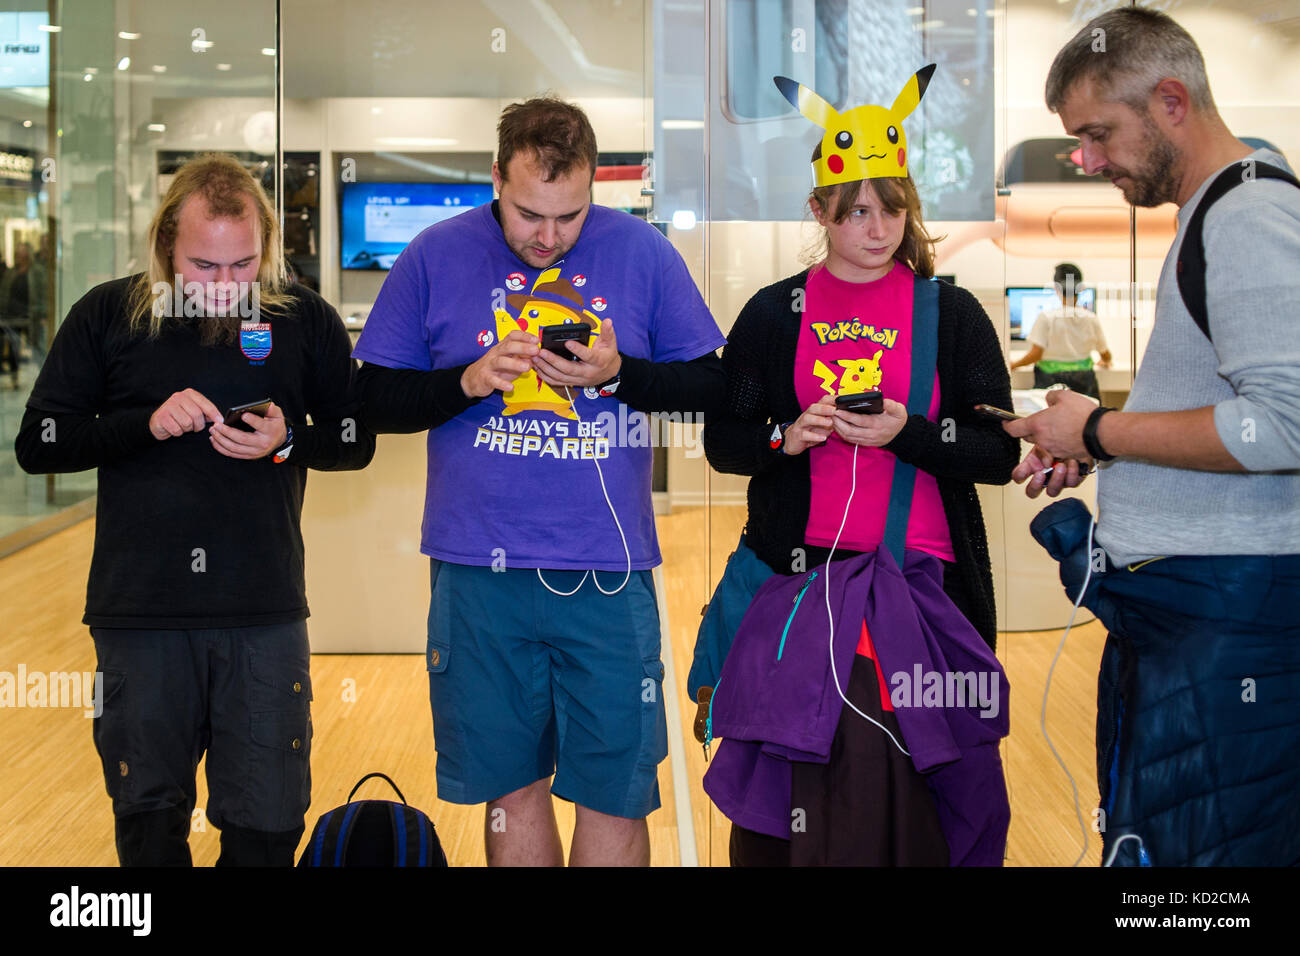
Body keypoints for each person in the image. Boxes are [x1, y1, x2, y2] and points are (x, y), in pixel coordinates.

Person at [352, 95, 725, 867]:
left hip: (608, 571)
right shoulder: (434, 254)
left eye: (570, 216)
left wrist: (622, 372)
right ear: (495, 179)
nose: (550, 238)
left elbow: (711, 391)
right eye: (529, 216)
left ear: (594, 189)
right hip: (478, 568)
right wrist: (467, 381)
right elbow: (370, 404)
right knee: (509, 786)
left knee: (615, 787)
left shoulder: (644, 254)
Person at [695, 68, 1020, 866]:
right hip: (802, 589)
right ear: (820, 211)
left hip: (924, 595)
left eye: (893, 208)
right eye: (857, 212)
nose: (877, 228)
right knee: (797, 806)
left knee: (917, 809)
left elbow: (998, 453)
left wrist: (910, 433)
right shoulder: (776, 313)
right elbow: (724, 442)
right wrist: (786, 438)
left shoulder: (953, 315)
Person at [15, 153, 376, 866]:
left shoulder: (303, 319)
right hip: (141, 613)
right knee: (149, 828)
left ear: (265, 248)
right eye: (204, 268)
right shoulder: (108, 315)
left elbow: (355, 439)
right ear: (164, 249)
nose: (224, 286)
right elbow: (40, 443)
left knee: (267, 826)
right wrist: (141, 425)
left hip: (263, 610)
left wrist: (287, 440)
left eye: (242, 266)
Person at [1007, 6, 1300, 866]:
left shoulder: (1244, 218)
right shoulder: (1216, 212)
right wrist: (1097, 438)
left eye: (1099, 135)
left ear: (1172, 100)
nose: (1087, 160)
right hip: (1198, 624)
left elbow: (1285, 421)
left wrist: (1099, 428)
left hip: (1230, 626)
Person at [1008, 262, 1112, 399]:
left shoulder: (1047, 317)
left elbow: (1036, 354)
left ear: (1056, 289)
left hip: (1050, 381)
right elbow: (1105, 353)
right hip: (1084, 381)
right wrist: (1105, 360)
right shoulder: (1090, 318)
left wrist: (1014, 365)